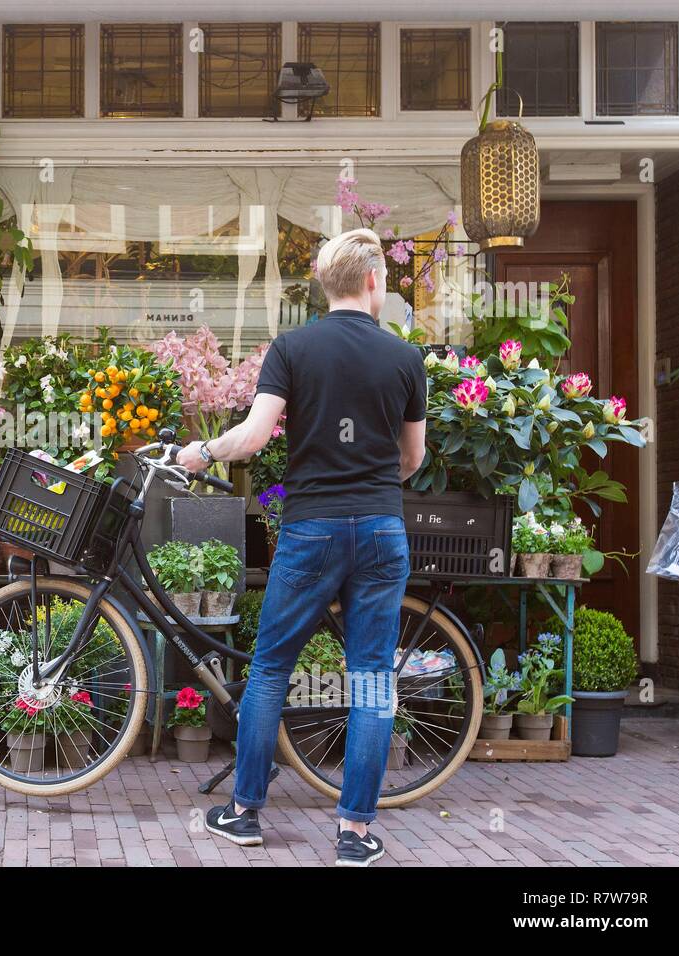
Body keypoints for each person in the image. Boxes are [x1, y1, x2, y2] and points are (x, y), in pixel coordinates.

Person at [177, 228, 427, 867]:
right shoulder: (405, 359)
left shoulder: (292, 348)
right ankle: (354, 833)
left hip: (310, 528)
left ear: (326, 284)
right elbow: (412, 459)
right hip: (379, 530)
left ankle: (245, 813)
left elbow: (254, 438)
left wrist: (201, 450)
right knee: (372, 677)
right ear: (374, 280)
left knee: (269, 669)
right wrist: (370, 488)